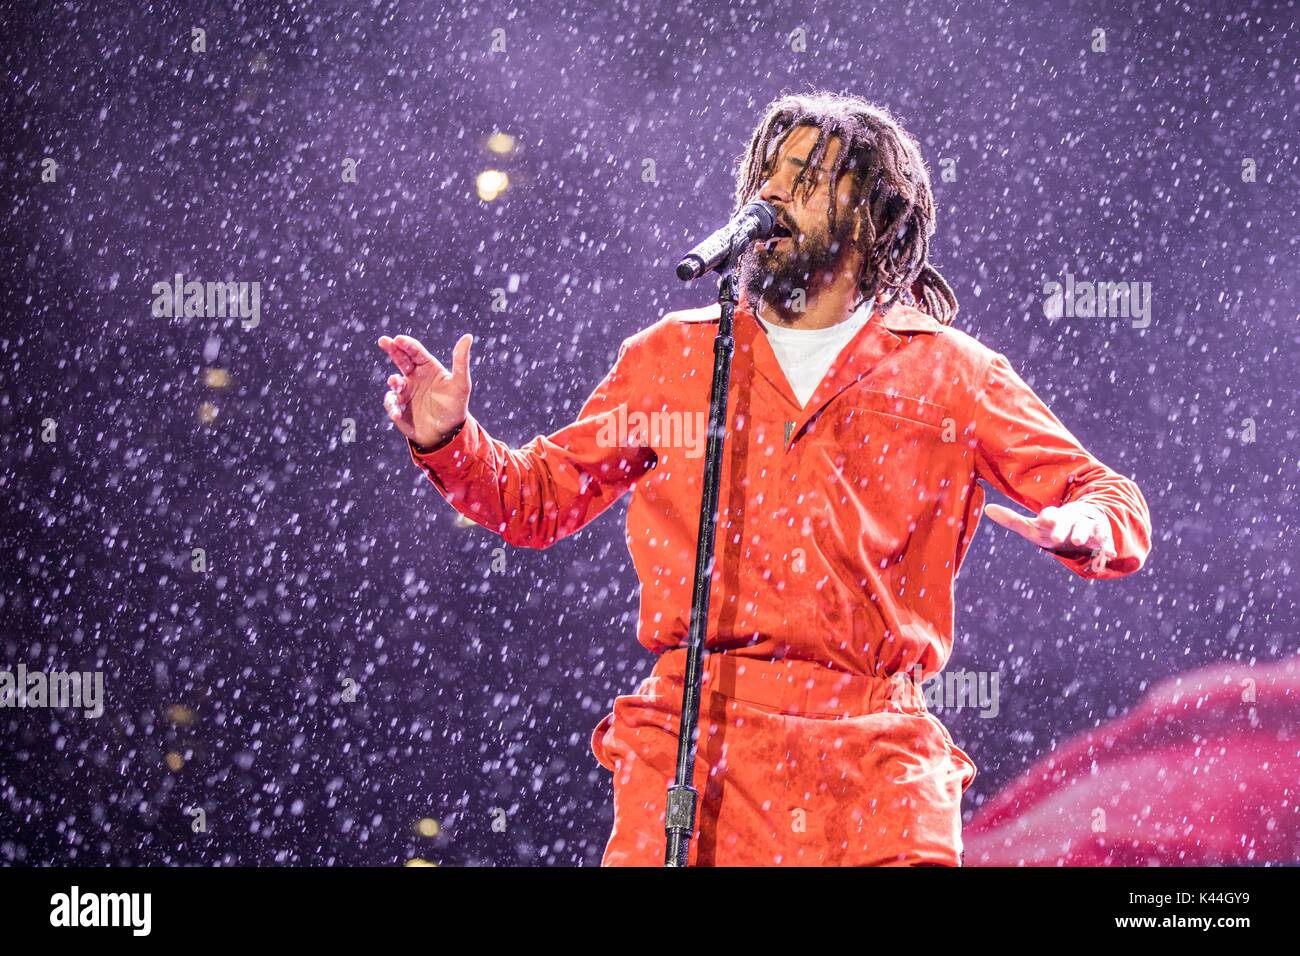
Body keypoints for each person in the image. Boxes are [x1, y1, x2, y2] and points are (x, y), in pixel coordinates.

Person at [377, 91, 1152, 866]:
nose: (776, 192)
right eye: (771, 173)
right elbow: (539, 500)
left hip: (875, 770)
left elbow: (1110, 497)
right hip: (695, 748)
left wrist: (1090, 527)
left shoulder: (955, 373)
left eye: (810, 178)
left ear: (875, 217)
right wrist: (449, 439)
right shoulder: (672, 357)